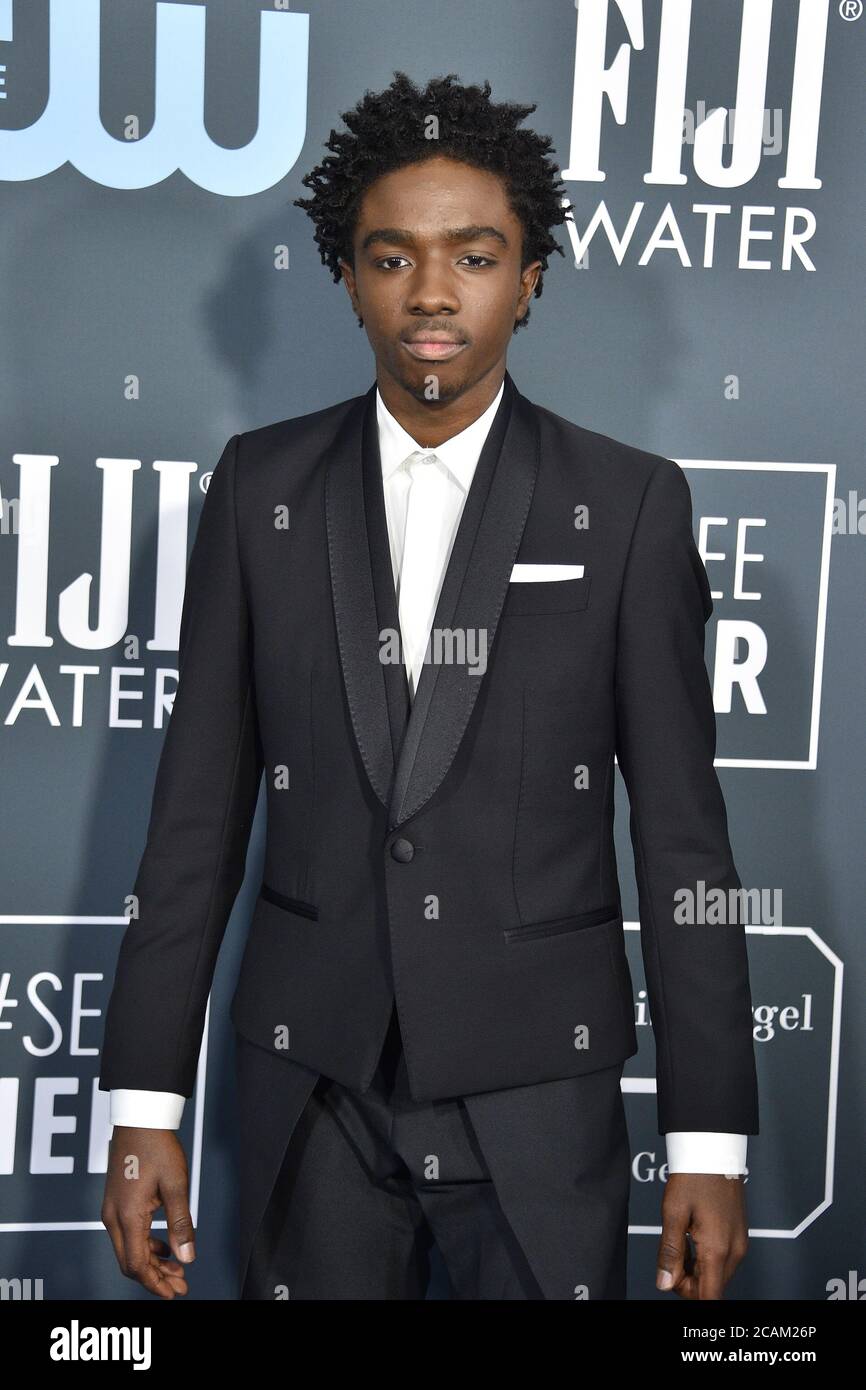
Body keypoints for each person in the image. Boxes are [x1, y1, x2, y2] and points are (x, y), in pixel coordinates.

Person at [99, 72, 758, 1301]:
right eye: (392, 257)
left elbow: (683, 846)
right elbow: (194, 820)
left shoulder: (625, 505)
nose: (433, 293)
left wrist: (708, 1140)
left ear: (530, 276)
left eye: (474, 254)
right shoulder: (258, 490)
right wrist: (143, 1101)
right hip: (313, 1094)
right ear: (347, 277)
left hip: (538, 1098)